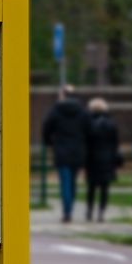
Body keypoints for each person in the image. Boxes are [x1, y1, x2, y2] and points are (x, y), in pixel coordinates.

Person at [43, 85, 90, 223]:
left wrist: (50, 143)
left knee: (65, 182)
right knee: (73, 182)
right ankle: (70, 208)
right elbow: (89, 129)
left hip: (62, 150)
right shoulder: (82, 111)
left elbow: (46, 128)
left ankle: (67, 211)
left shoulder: (56, 111)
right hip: (77, 150)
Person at [85, 97, 120, 222]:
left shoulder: (88, 123)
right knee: (105, 188)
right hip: (107, 158)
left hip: (92, 159)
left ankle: (89, 210)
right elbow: (115, 143)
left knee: (91, 187)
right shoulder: (111, 124)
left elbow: (86, 142)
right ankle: (101, 212)